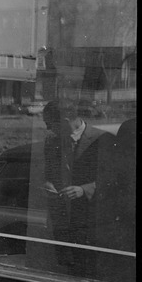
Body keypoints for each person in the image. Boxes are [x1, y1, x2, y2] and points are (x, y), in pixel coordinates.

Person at [42, 100, 107, 269]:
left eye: (49, 124)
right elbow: (48, 173)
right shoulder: (51, 142)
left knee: (86, 271)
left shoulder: (102, 139)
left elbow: (113, 182)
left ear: (64, 122)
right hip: (62, 225)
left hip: (89, 224)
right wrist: (48, 185)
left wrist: (83, 190)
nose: (48, 129)